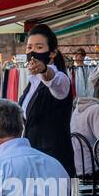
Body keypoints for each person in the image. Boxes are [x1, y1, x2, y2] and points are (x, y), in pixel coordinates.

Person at [19, 23, 76, 177]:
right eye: (29, 47)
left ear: (52, 53)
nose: (32, 52)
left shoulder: (61, 79)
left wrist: (45, 70)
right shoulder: (32, 82)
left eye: (39, 47)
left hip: (54, 162)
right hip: (32, 161)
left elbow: (55, 82)